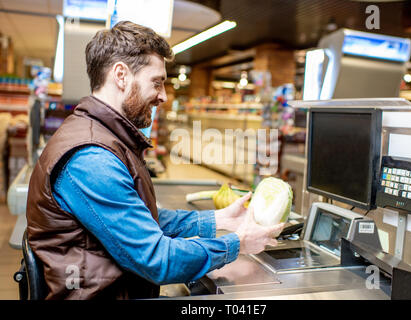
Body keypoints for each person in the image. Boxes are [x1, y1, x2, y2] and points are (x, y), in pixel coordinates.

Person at [25, 21, 284, 300]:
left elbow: (142, 220)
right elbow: (157, 259)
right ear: (121, 75)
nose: (163, 96)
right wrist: (237, 243)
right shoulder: (92, 158)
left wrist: (219, 218)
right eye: (157, 82)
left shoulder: (103, 136)